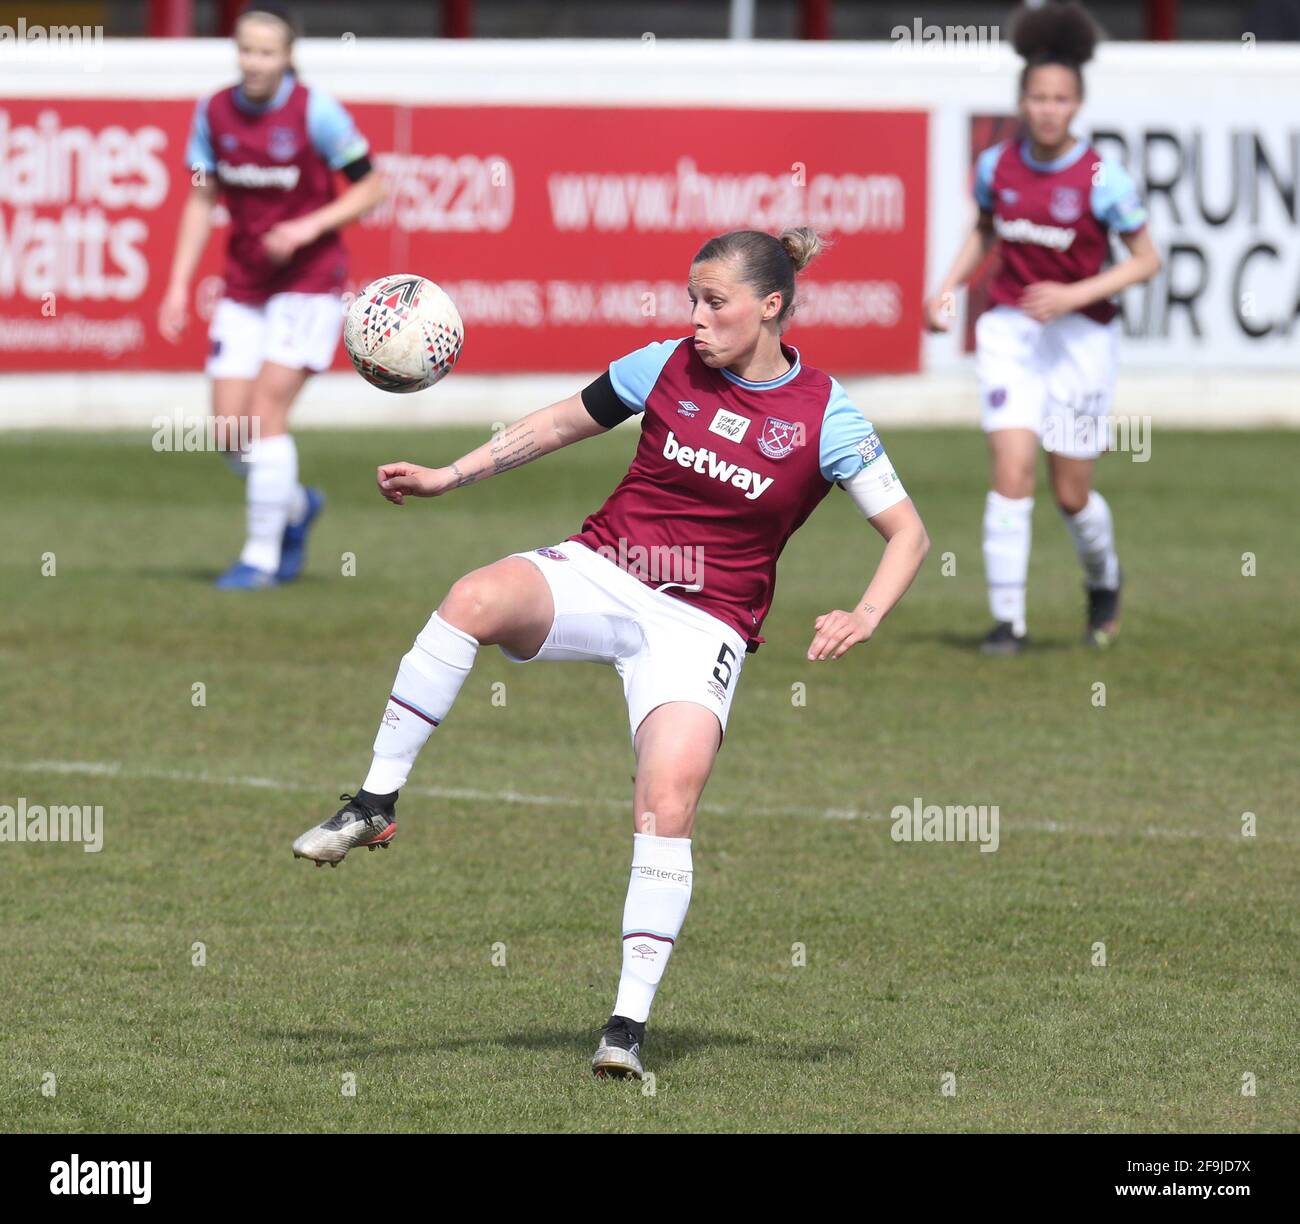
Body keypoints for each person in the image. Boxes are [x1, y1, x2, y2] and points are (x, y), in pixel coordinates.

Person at [292, 227, 930, 1080]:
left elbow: (908, 533)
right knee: (471, 598)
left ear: (771, 307)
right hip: (604, 571)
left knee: (666, 802)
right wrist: (451, 475)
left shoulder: (826, 414)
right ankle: (373, 800)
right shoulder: (664, 364)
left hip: (703, 626)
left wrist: (867, 609)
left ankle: (625, 1029)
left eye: (715, 303)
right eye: (691, 300)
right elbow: (558, 424)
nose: (695, 319)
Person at [925, 1, 1161, 654]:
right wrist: (947, 288)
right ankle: (1008, 625)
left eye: (1060, 98)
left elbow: (1147, 259)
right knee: (1011, 469)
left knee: (1071, 491)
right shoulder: (997, 166)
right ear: (1022, 101)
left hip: (1083, 338)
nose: (1048, 109)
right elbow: (984, 229)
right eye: (1037, 97)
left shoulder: (1101, 178)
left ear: (1077, 105)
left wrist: (1074, 293)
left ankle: (1103, 580)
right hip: (1010, 330)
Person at [159, 3, 386, 589]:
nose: (254, 61)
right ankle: (294, 506)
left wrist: (308, 227)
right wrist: (179, 284)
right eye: (245, 50)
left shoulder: (316, 112)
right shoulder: (213, 111)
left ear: (287, 57)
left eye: (266, 51)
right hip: (245, 285)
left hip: (310, 285)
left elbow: (372, 185)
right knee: (230, 434)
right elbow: (202, 199)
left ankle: (259, 558)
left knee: (265, 416)